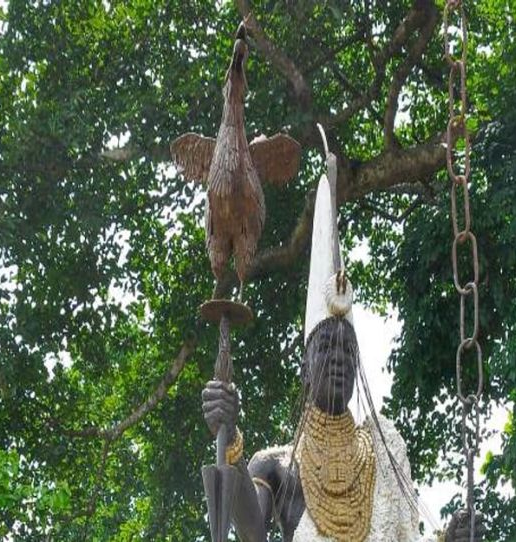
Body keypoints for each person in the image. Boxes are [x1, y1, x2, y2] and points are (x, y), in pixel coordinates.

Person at [202, 134, 481, 542]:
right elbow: (251, 534)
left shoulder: (384, 452)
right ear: (304, 365)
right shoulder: (276, 466)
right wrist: (230, 442)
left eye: (348, 350)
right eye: (326, 347)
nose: (339, 358)